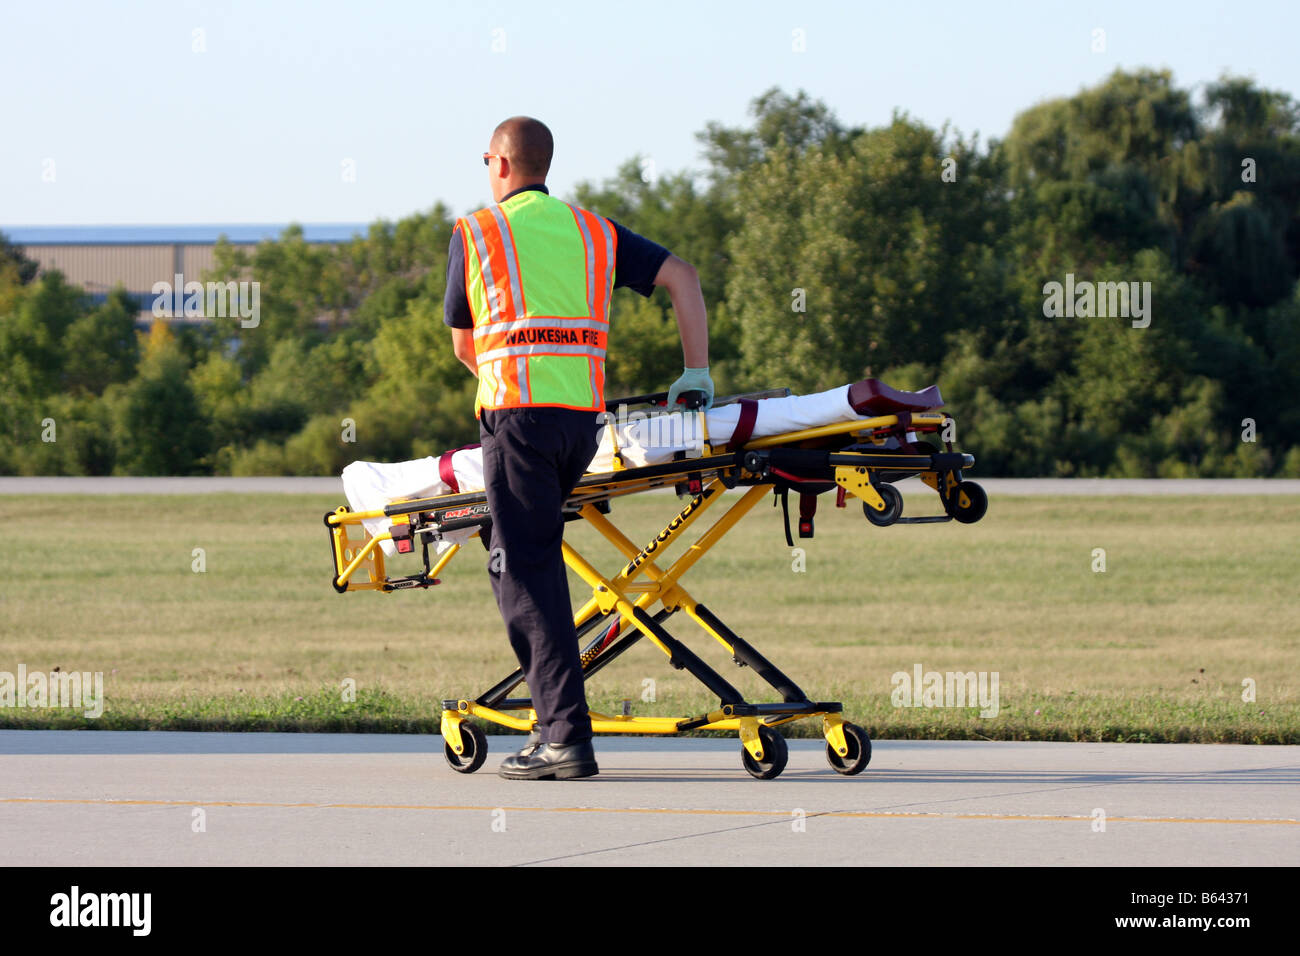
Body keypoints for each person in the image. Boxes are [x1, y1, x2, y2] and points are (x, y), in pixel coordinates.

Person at [444, 116, 712, 780]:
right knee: (537, 566)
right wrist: (696, 371)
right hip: (581, 427)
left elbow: (462, 344)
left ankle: (564, 738)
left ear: (501, 164)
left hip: (517, 421)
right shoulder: (593, 232)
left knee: (523, 572)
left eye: (485, 159)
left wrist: (512, 382)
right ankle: (559, 727)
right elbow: (684, 277)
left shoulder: (477, 232)